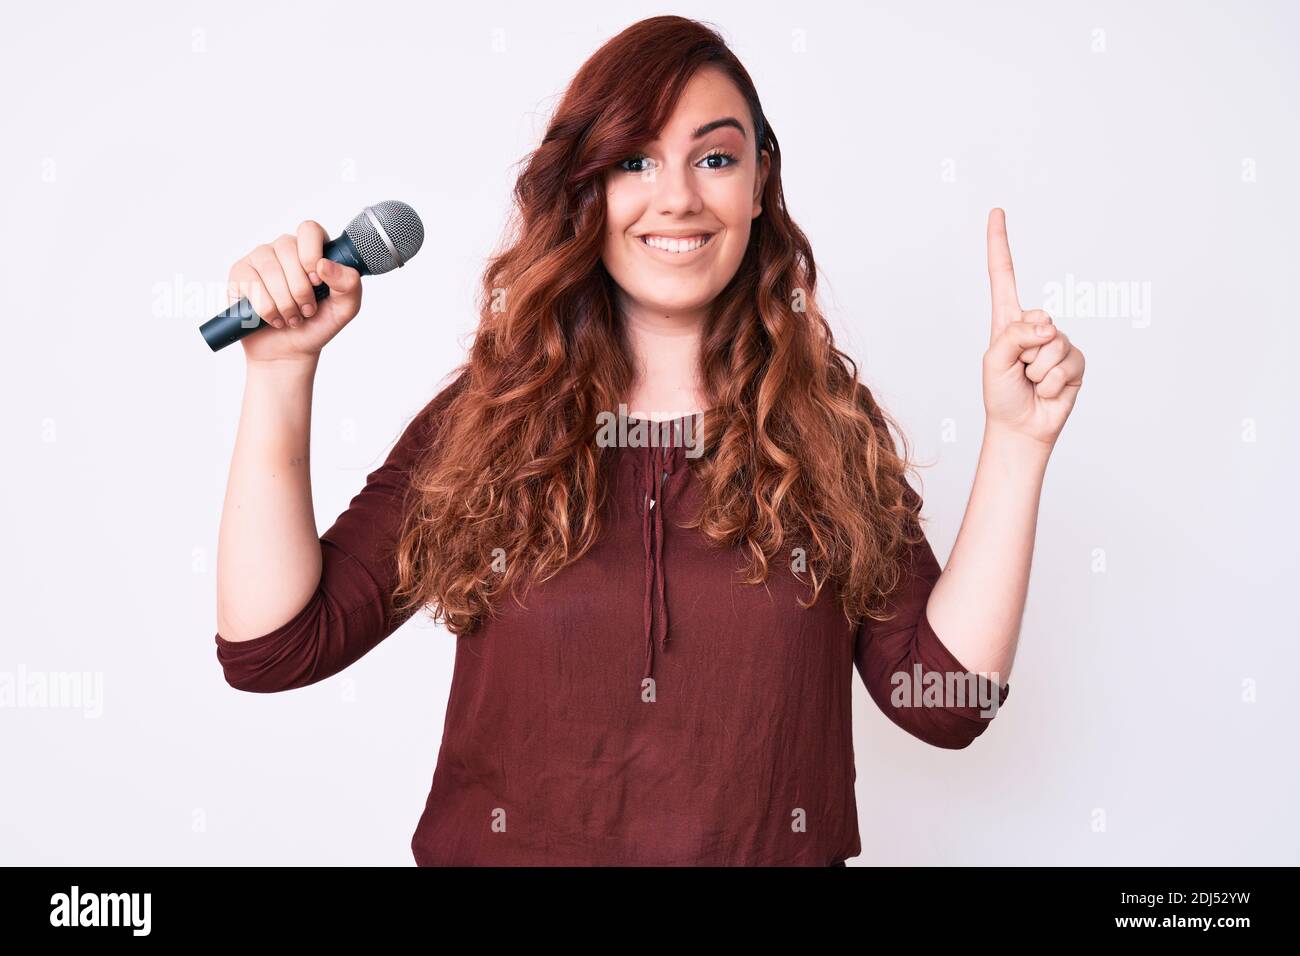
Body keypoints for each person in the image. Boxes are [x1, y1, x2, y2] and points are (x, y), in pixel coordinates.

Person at [213, 16, 1085, 866]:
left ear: (758, 182)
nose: (677, 197)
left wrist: (1017, 443)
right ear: (586, 187)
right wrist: (281, 371)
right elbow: (273, 649)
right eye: (634, 160)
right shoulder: (489, 417)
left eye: (714, 158)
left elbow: (945, 702)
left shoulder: (825, 424)